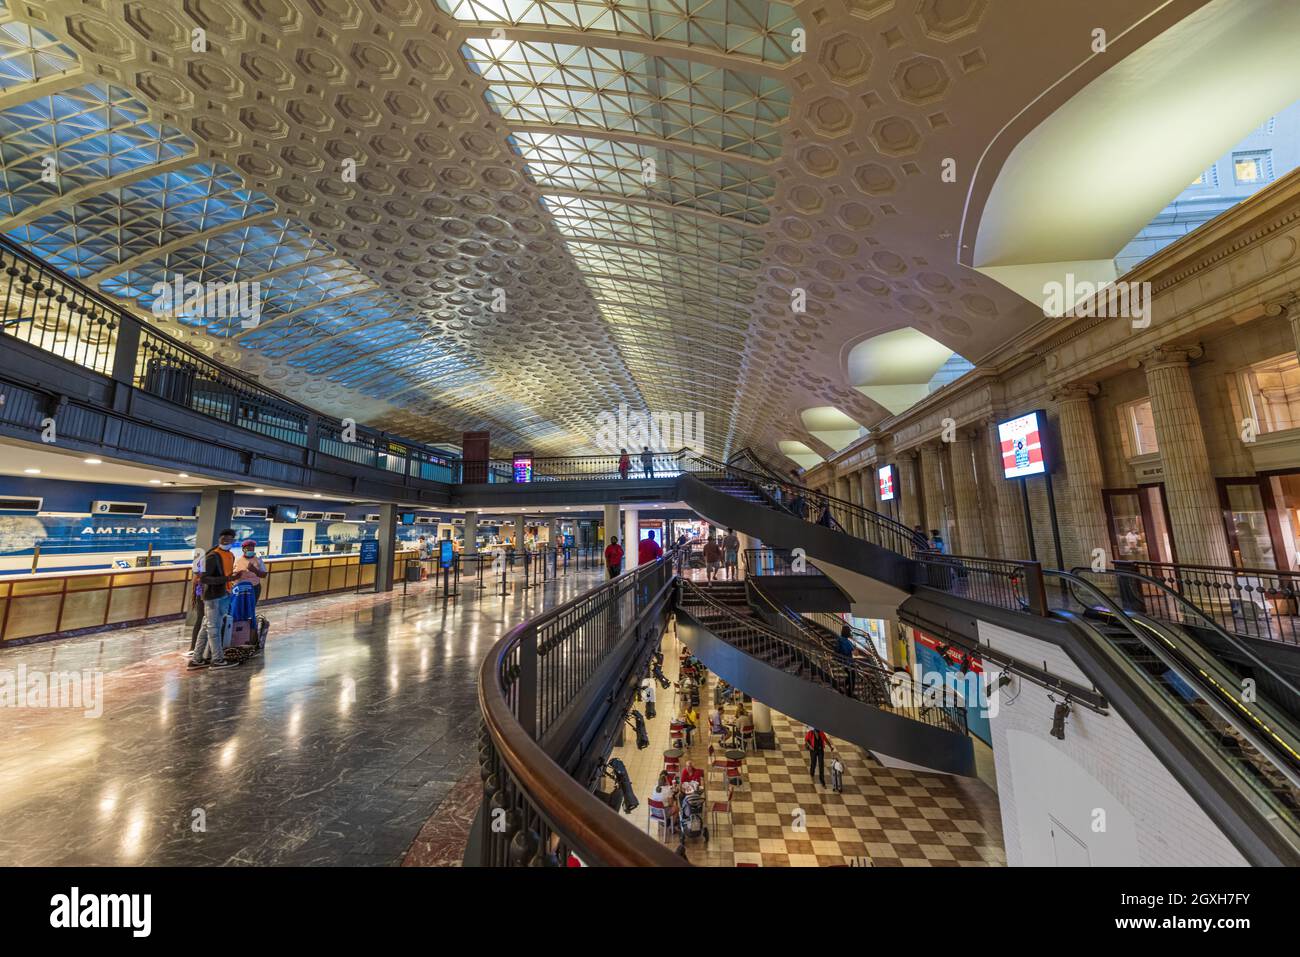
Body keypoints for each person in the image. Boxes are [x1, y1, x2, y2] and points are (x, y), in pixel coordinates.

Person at [191, 528, 239, 670]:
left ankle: (196, 659)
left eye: (229, 539)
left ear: (233, 541)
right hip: (213, 597)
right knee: (214, 628)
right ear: (219, 539)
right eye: (223, 538)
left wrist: (230, 580)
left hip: (223, 594)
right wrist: (228, 578)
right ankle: (217, 659)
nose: (226, 541)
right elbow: (204, 578)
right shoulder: (213, 556)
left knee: (207, 627)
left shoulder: (229, 555)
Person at [837, 624, 857, 699]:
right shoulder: (846, 642)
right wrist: (854, 647)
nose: (850, 633)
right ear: (847, 632)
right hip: (848, 662)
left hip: (843, 662)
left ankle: (844, 687)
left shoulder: (840, 639)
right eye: (849, 632)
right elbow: (855, 653)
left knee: (851, 676)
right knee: (853, 676)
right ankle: (849, 693)